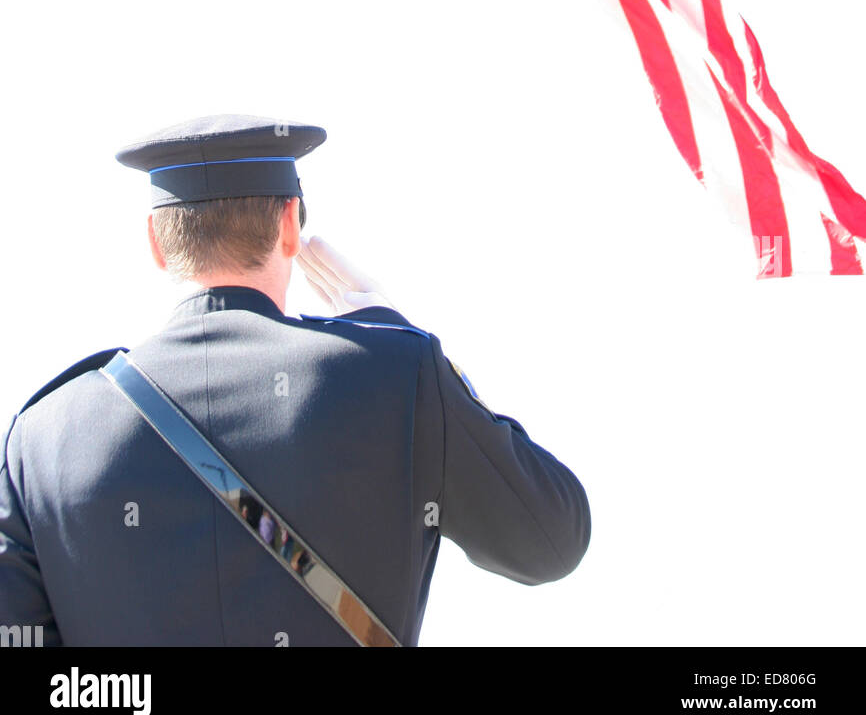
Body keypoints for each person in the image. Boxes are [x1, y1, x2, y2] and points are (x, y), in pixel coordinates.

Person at [0, 115, 590, 647]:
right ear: (289, 225)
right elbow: (551, 537)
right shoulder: (390, 375)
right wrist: (407, 345)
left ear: (157, 244)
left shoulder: (42, 437)